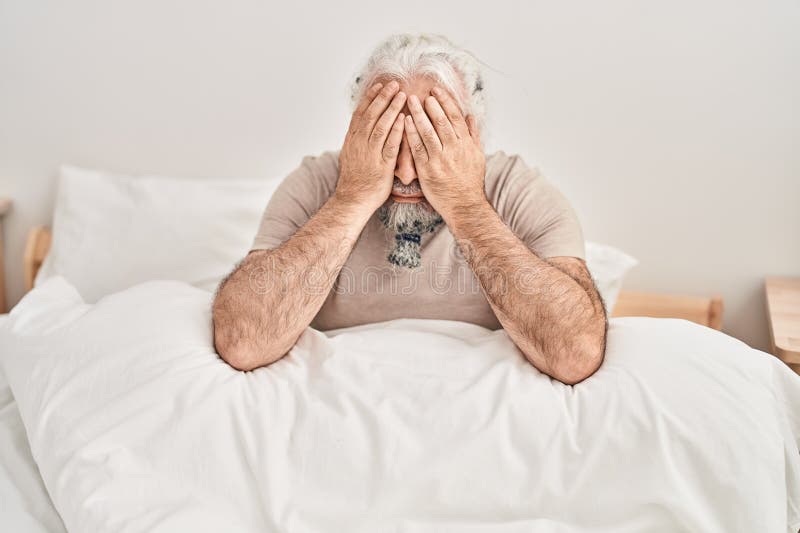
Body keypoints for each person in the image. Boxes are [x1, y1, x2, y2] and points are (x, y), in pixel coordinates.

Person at [212, 33, 607, 385]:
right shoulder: (315, 184)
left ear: (472, 133)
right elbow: (242, 343)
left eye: (429, 142)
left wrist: (465, 205)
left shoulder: (517, 191)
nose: (403, 172)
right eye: (386, 139)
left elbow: (575, 354)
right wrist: (353, 196)